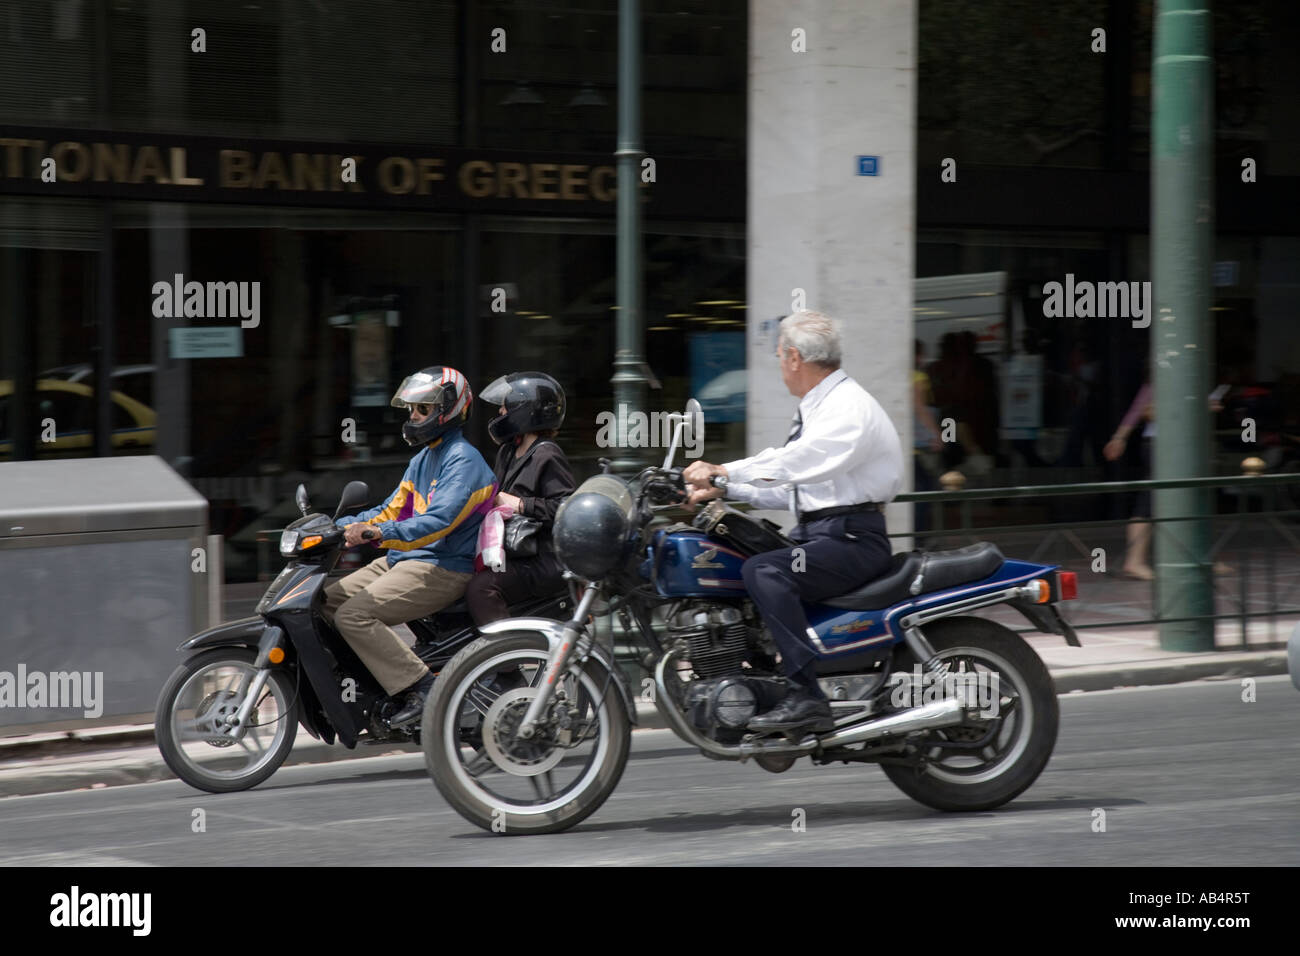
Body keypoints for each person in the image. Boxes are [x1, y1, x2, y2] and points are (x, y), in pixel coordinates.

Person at [683, 310, 904, 733]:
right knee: (746, 560)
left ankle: (805, 695)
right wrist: (726, 490)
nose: (780, 366)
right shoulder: (821, 406)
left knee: (763, 571)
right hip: (825, 532)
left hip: (852, 539)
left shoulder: (847, 407)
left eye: (779, 357)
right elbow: (797, 489)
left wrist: (724, 470)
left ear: (794, 357)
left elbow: (798, 463)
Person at [322, 366, 498, 729]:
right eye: (411, 410)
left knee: (354, 616)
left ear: (448, 409)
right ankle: (370, 686)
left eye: (422, 409)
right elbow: (391, 510)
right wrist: (333, 527)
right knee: (321, 602)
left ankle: (424, 688)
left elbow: (437, 523)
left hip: (443, 566)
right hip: (404, 560)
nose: (413, 417)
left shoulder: (463, 460)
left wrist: (376, 534)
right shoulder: (423, 458)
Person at [464, 371, 576, 626]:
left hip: (541, 560)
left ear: (525, 410)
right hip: (512, 553)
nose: (501, 412)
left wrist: (520, 504)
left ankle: (503, 659)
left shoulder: (547, 454)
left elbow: (566, 509)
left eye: (505, 406)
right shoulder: (507, 451)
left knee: (482, 589)